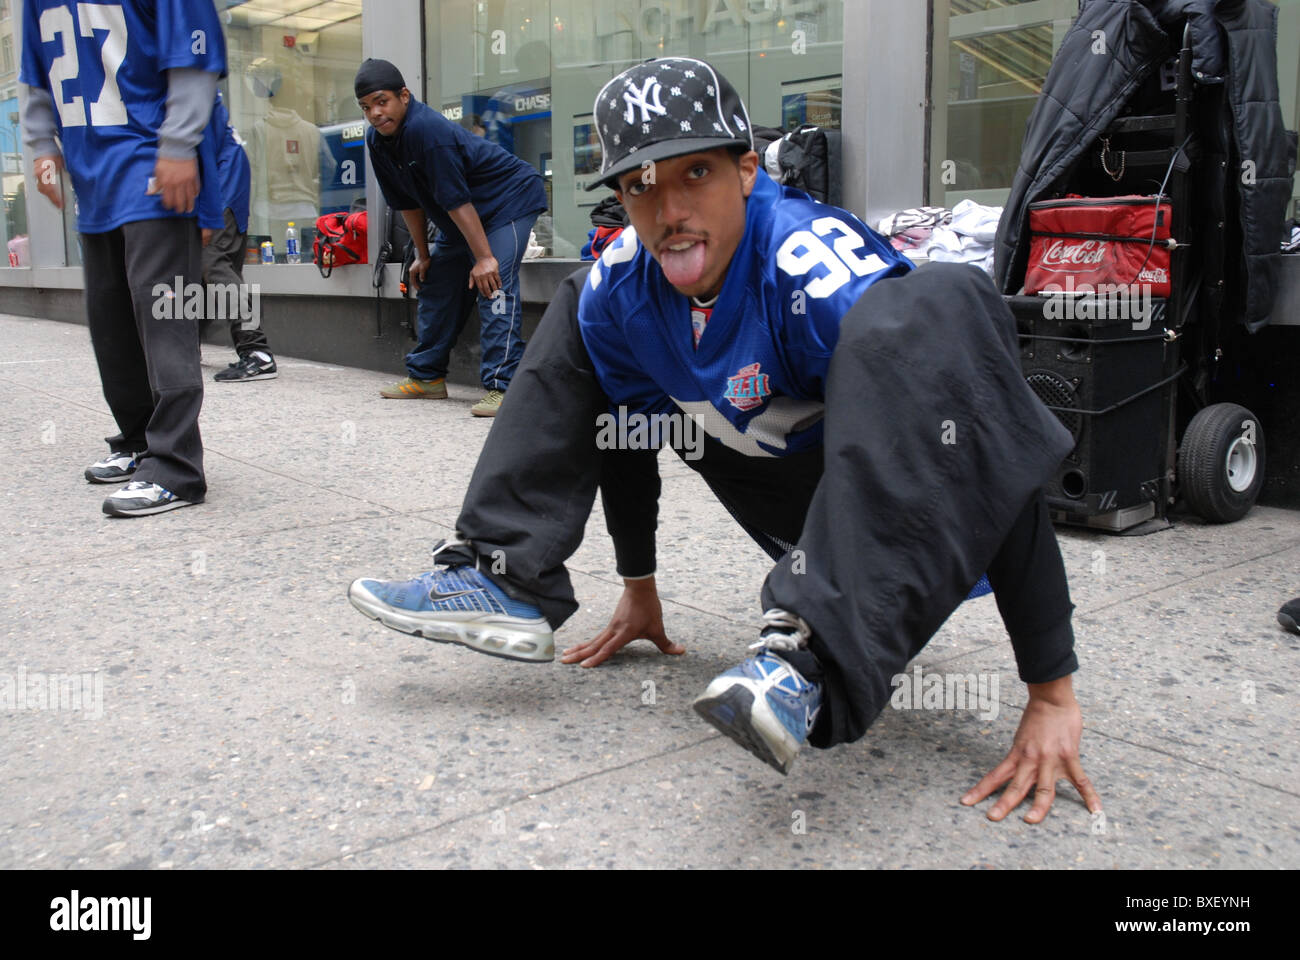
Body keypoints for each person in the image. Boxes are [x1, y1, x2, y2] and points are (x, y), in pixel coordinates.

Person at [348, 58, 1102, 823]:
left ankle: (805, 656)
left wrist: (1051, 688)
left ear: (746, 170)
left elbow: (980, 437)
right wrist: (639, 586)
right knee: (586, 304)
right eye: (639, 185)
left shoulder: (809, 268)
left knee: (934, 304)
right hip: (785, 498)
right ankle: (504, 571)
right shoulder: (629, 283)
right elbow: (623, 428)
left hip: (913, 524)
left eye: (695, 173)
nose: (668, 209)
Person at [21, 0, 227, 516]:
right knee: (110, 324)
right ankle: (138, 442)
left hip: (152, 164)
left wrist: (179, 146)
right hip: (92, 180)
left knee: (164, 320)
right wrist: (41, 145)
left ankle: (177, 468)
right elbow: (36, 74)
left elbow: (193, 59)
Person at [355, 59, 548, 417]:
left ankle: (504, 386)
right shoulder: (378, 140)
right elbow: (407, 202)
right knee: (437, 280)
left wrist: (485, 257)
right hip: (466, 213)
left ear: (404, 96)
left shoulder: (427, 131)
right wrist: (424, 255)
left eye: (382, 101)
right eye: (366, 107)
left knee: (494, 283)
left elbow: (456, 199)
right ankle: (427, 377)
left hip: (509, 199)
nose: (375, 113)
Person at [203, 90, 278, 383]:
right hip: (221, 175)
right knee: (209, 268)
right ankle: (181, 346)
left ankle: (257, 353)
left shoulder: (186, 81)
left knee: (212, 262)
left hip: (220, 180)